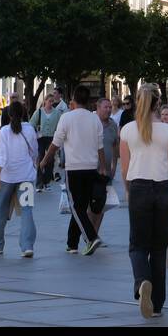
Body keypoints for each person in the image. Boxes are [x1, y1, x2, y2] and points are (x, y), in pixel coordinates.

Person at [120, 84, 168, 319]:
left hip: (139, 187)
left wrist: (128, 190)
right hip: (163, 190)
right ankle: (158, 303)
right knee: (159, 248)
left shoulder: (128, 130)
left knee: (137, 245)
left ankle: (142, 282)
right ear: (158, 104)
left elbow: (125, 167)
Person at [39, 85, 107, 255]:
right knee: (81, 207)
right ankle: (72, 243)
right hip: (91, 168)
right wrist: (103, 167)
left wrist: (45, 161)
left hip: (74, 168)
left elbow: (56, 143)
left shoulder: (67, 118)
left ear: (74, 99)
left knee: (76, 207)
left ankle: (92, 237)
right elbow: (100, 147)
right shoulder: (95, 119)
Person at [0, 99, 39, 258]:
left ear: (9, 115)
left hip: (7, 177)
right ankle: (27, 246)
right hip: (26, 176)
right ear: (24, 113)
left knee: (1, 210)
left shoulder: (4, 131)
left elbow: (2, 155)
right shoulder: (30, 129)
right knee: (27, 210)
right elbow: (35, 153)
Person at [89, 97, 120, 236]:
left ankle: (95, 234)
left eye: (110, 107)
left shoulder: (113, 125)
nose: (108, 110)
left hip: (106, 171)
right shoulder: (90, 122)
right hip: (90, 169)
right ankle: (88, 234)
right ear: (98, 107)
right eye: (105, 107)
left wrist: (114, 166)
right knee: (90, 205)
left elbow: (115, 146)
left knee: (102, 205)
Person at [31, 93, 63, 191]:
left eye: (52, 102)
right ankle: (39, 184)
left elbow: (60, 126)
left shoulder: (57, 113)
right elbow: (31, 123)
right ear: (45, 101)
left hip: (52, 138)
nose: (51, 103)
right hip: (40, 138)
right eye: (49, 101)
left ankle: (47, 181)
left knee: (50, 160)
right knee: (41, 159)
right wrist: (35, 131)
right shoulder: (39, 112)